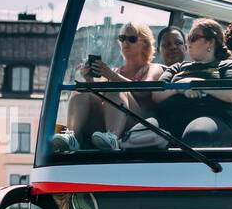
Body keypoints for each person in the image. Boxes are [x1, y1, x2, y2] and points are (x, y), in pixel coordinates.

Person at [51, 22, 164, 152]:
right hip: (111, 122)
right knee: (82, 90)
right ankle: (72, 137)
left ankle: (113, 137)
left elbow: (145, 90)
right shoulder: (115, 71)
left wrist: (111, 75)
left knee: (115, 88)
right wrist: (89, 80)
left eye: (131, 39)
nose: (125, 43)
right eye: (122, 38)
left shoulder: (153, 68)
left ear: (144, 43)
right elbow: (102, 100)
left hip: (140, 123)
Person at [143, 18, 232, 148]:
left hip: (216, 119)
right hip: (172, 119)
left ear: (210, 42)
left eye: (193, 38)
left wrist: (196, 83)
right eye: (188, 38)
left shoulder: (230, 65)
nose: (188, 43)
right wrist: (181, 87)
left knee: (196, 135)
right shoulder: (178, 68)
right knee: (136, 136)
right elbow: (157, 95)